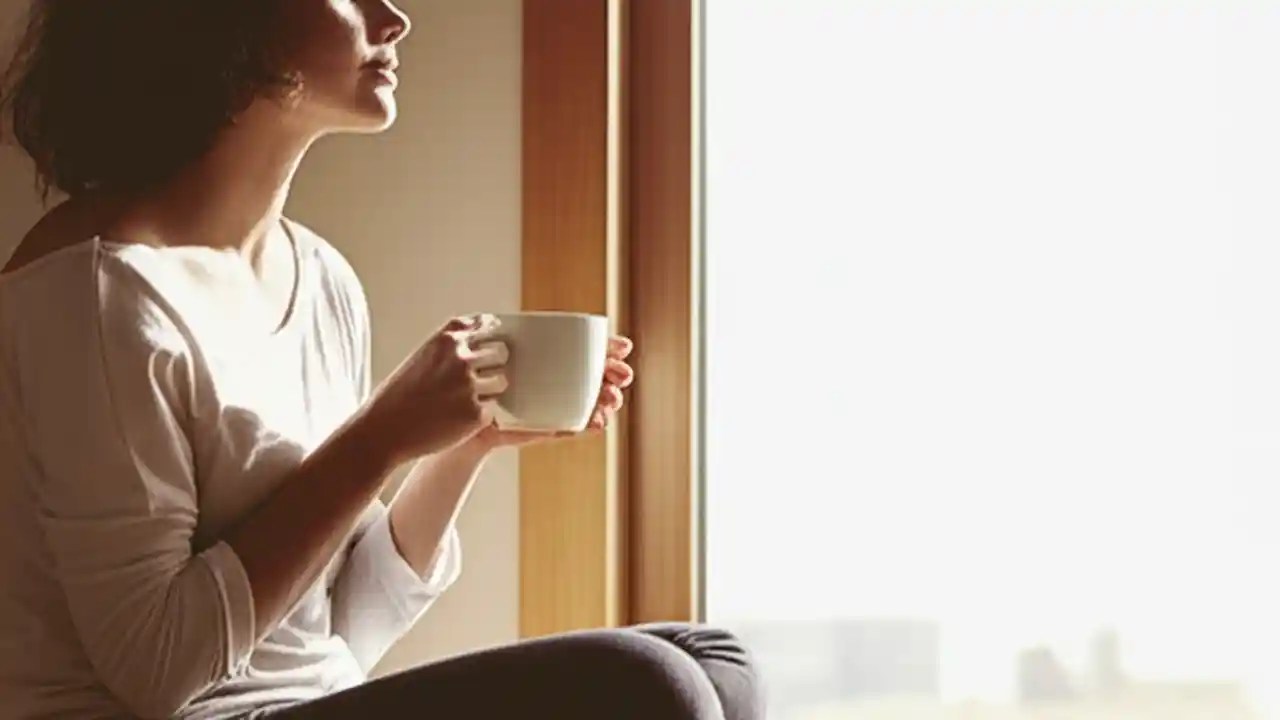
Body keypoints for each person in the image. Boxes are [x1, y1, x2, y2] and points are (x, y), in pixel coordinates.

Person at [0, 2, 762, 719]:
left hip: (301, 700)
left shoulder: (321, 278)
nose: (394, 18)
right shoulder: (96, 290)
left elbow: (343, 632)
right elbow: (157, 668)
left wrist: (463, 446)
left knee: (715, 662)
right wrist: (380, 438)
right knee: (649, 685)